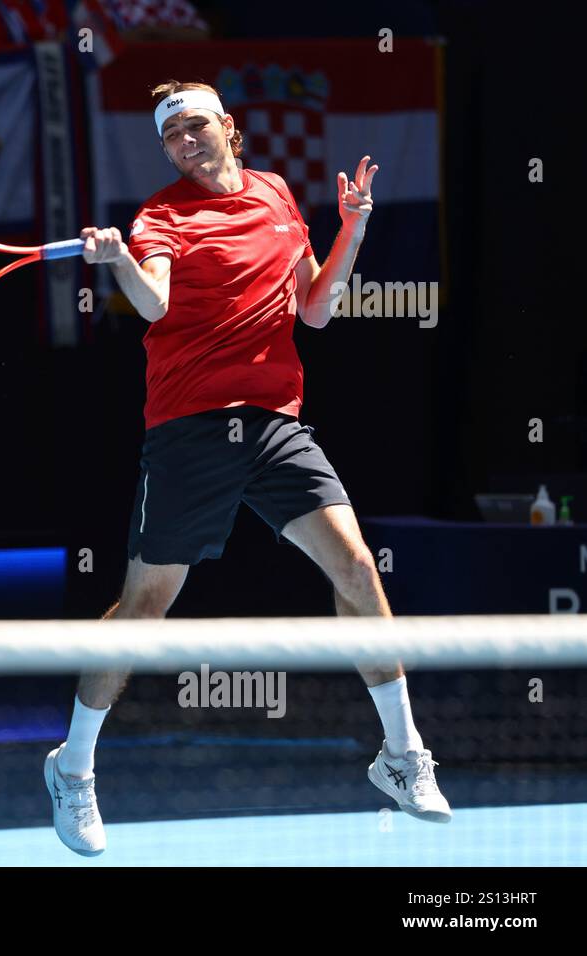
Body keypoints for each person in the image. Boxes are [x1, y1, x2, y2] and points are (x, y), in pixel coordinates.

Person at [45, 80, 451, 856]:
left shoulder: (272, 193)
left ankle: (403, 758)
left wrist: (354, 232)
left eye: (196, 126)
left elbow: (316, 308)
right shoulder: (160, 216)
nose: (185, 143)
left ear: (228, 128)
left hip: (274, 425)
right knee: (143, 606)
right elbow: (155, 303)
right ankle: (74, 766)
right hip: (189, 431)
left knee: (358, 568)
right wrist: (120, 260)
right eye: (172, 136)